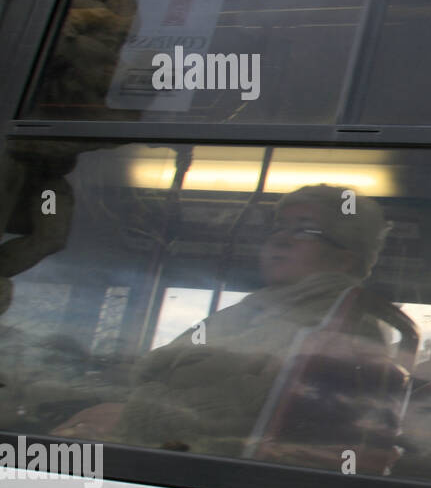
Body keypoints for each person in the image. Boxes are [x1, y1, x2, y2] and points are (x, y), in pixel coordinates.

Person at [58, 185, 396, 467]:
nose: (280, 241)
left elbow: (258, 428)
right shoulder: (252, 311)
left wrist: (131, 419)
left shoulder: (341, 327)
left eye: (304, 231)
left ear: (345, 257)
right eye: (278, 228)